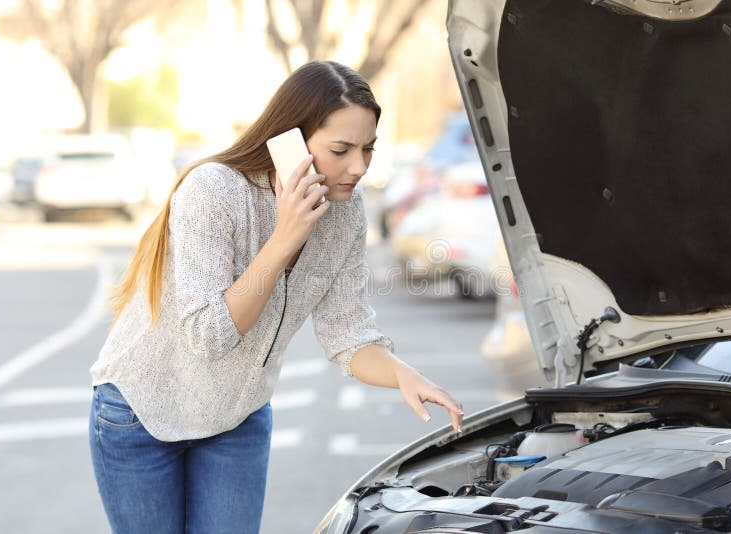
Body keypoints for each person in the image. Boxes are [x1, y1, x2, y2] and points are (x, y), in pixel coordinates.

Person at [87, 60, 464, 534]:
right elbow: (208, 334)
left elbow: (348, 333)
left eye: (368, 149)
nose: (359, 167)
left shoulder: (345, 213)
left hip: (236, 418)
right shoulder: (214, 190)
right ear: (289, 143)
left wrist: (403, 375)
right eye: (341, 149)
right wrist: (285, 236)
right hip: (142, 414)